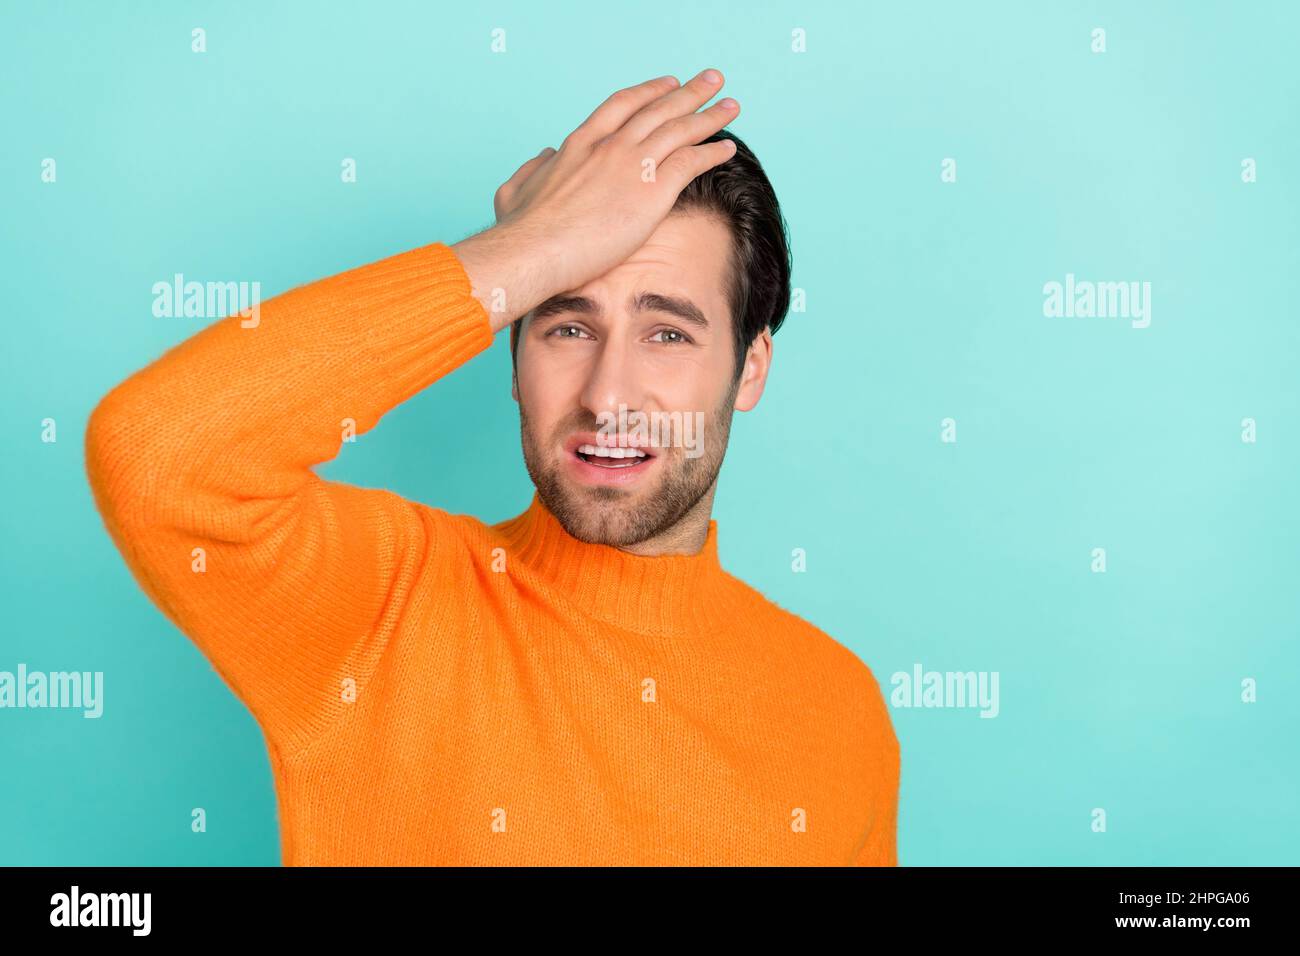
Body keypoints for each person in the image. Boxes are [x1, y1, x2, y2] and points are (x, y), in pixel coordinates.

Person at [85, 68, 900, 866]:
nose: (607, 398)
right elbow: (157, 453)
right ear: (512, 358)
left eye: (668, 334)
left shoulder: (840, 708)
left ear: (750, 369)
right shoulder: (379, 607)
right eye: (567, 327)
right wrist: (530, 249)